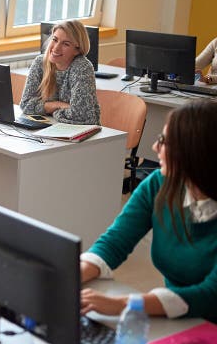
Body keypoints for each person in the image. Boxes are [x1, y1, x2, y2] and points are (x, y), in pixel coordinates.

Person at [80, 100, 217, 323]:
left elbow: (211, 296)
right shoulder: (159, 183)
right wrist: (74, 275)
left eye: (164, 141)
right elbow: (115, 242)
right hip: (176, 317)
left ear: (195, 153)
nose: (155, 148)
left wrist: (123, 304)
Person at [20, 20, 100, 125]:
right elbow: (26, 105)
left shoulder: (82, 67)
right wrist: (59, 105)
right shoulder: (40, 62)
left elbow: (81, 115)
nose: (56, 48)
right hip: (52, 128)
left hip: (82, 134)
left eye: (65, 44)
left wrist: (51, 111)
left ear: (77, 50)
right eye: (55, 39)